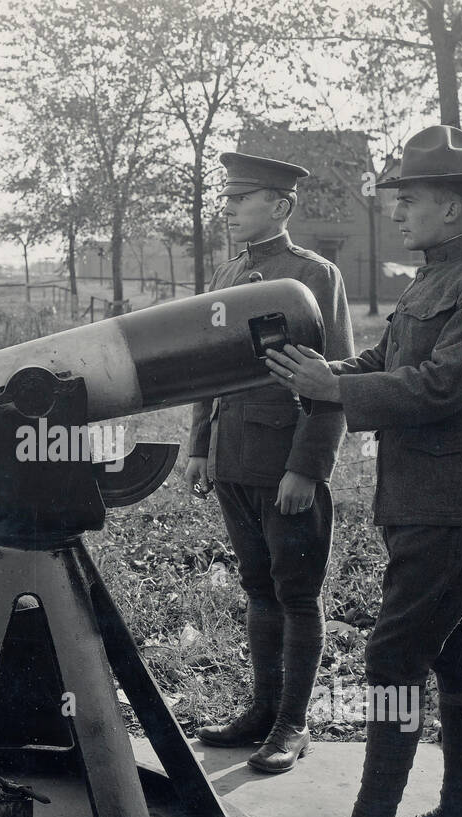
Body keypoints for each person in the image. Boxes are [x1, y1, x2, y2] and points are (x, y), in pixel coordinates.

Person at [265, 124, 462, 817]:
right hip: (423, 503)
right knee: (453, 652)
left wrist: (334, 390)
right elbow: (386, 363)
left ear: (451, 206)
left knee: (393, 657)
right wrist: (321, 369)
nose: (398, 213)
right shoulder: (430, 281)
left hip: (452, 505)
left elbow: (442, 388)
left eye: (409, 200)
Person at [185, 151, 355, 773]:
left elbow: (334, 374)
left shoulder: (312, 276)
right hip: (233, 458)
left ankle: (293, 722)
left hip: (285, 460)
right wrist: (201, 445)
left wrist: (307, 467)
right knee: (258, 588)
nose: (226, 208)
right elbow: (207, 367)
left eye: (241, 198)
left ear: (279, 206)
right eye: (226, 198)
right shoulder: (228, 275)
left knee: (296, 592)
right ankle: (262, 710)